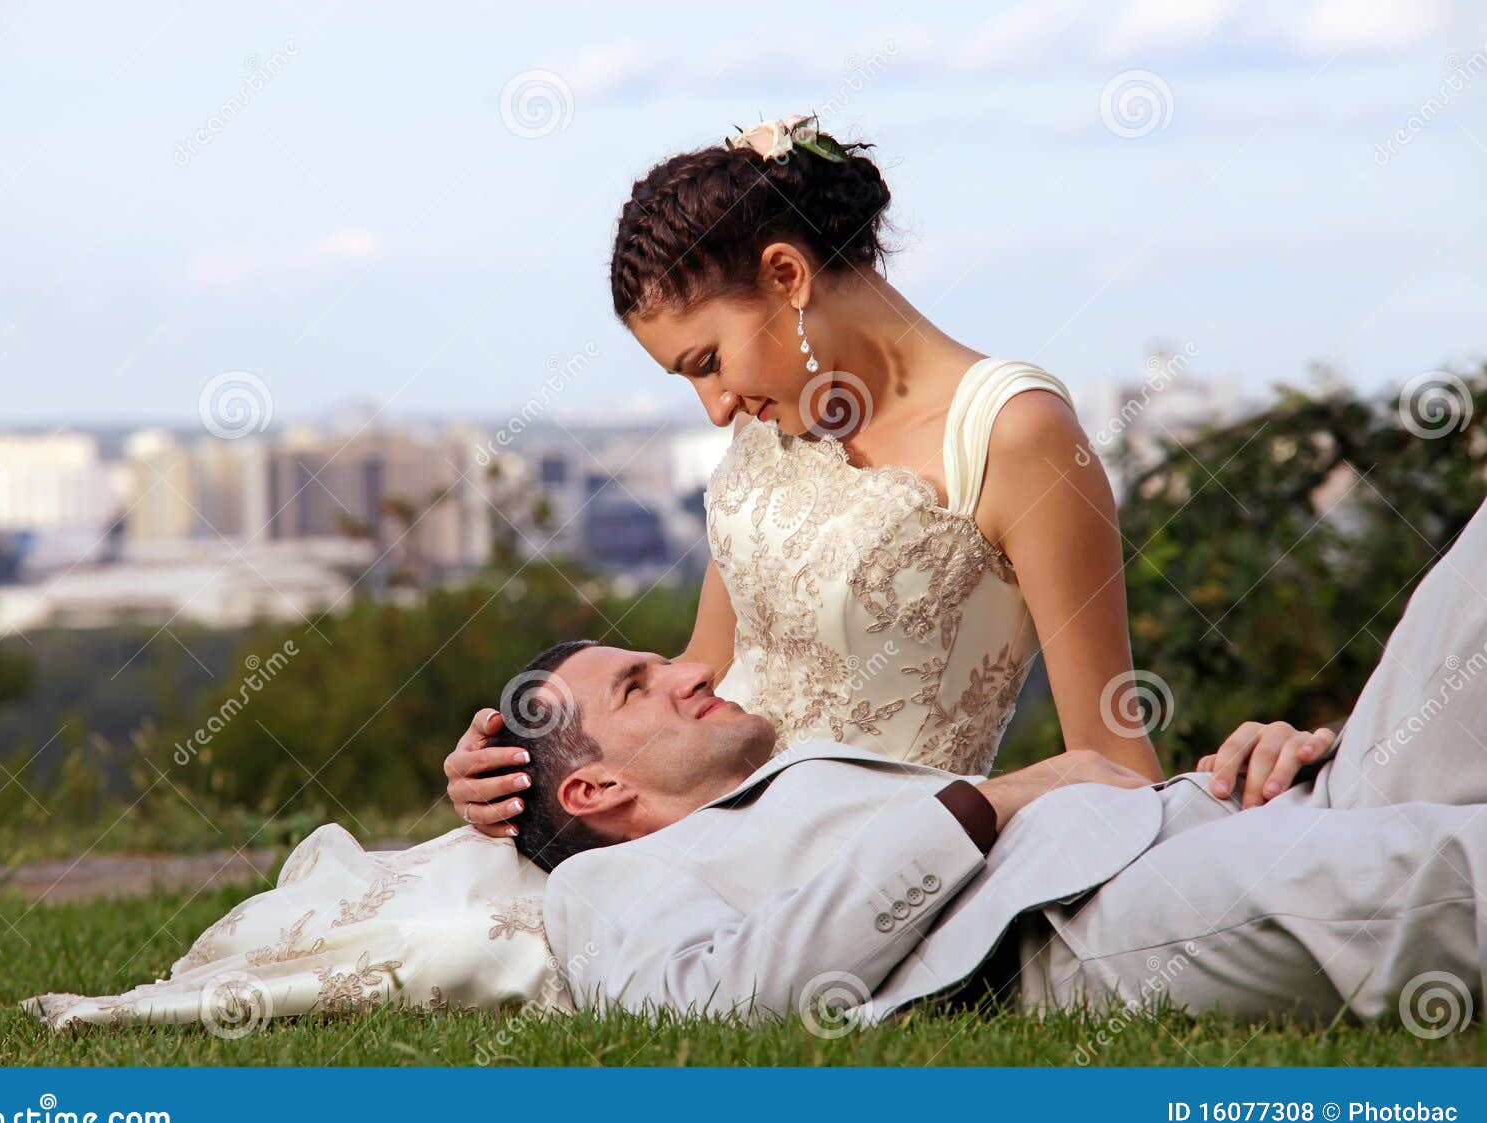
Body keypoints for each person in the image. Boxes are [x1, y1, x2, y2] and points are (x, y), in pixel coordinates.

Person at [447, 112, 1166, 852]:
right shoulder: (772, 428)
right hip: (707, 845)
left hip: (878, 868)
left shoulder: (1014, 434)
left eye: (709, 363)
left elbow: (1112, 758)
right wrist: (525, 774)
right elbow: (703, 674)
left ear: (787, 275)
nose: (718, 407)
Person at [511, 498, 1487, 1021]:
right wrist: (998, 798)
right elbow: (722, 1003)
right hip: (1078, 921)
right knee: (1407, 868)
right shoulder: (606, 882)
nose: (685, 667)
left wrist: (1261, 755)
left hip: (1242, 798)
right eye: (638, 684)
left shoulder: (794, 775)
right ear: (592, 786)